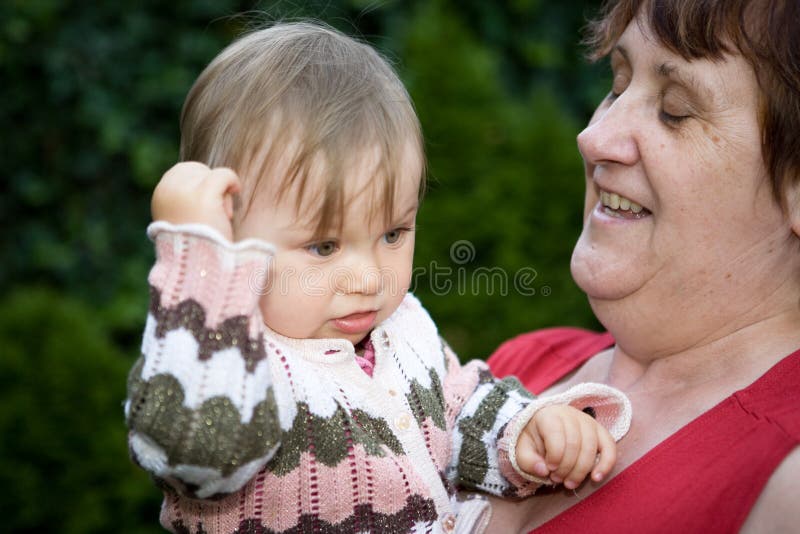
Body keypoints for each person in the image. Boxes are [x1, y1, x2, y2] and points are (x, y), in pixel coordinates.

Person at [124, 22, 631, 534]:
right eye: (323, 246)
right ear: (228, 232)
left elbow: (456, 408)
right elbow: (197, 451)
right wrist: (200, 261)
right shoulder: (234, 363)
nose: (368, 279)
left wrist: (524, 433)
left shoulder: (402, 328)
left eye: (392, 233)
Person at [484, 0, 800, 532]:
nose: (594, 138)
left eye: (675, 110)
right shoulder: (521, 366)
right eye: (616, 84)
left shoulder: (783, 484)